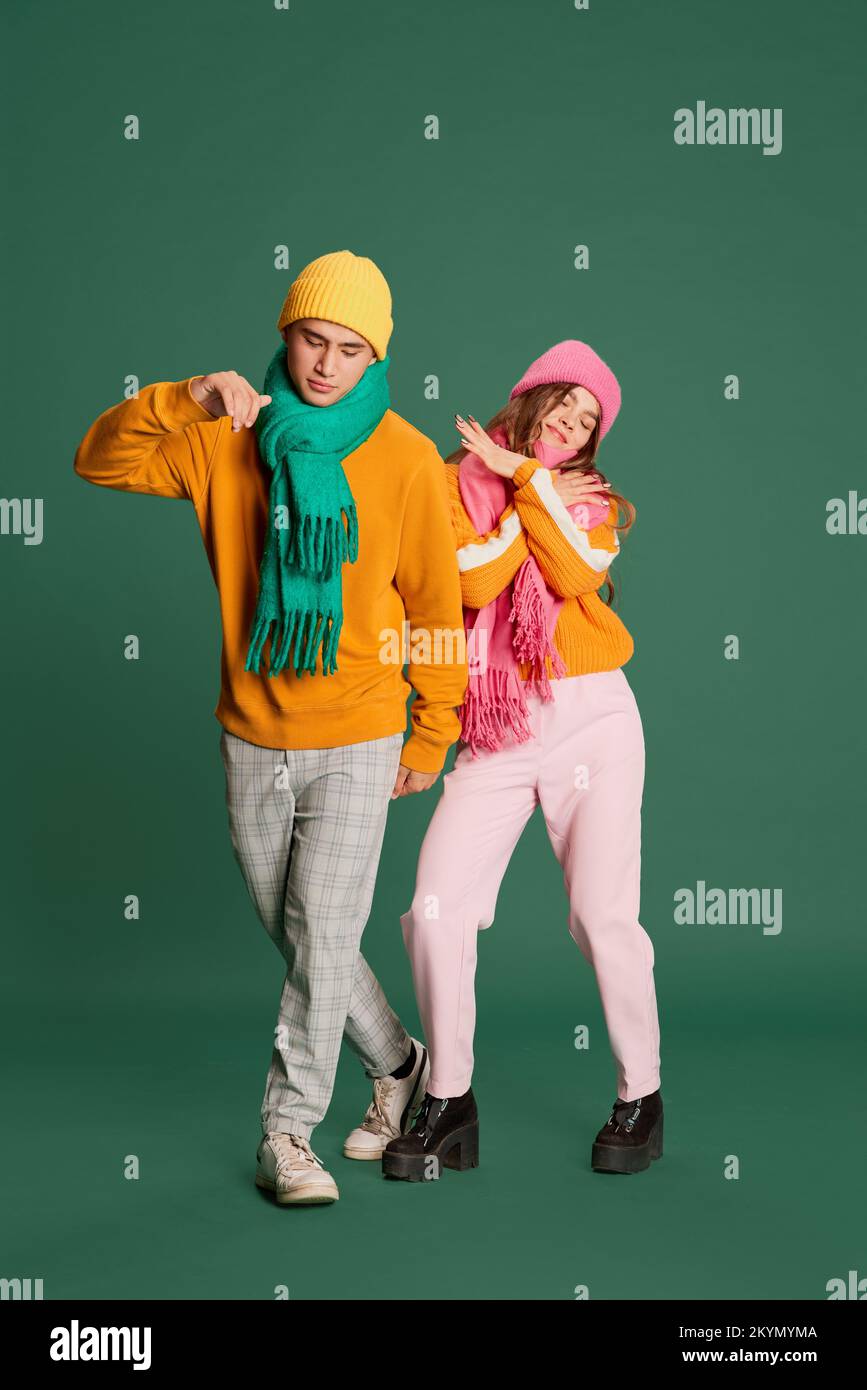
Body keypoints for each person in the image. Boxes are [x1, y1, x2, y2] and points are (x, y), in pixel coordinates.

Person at [73, 249, 468, 1207]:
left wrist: (430, 733)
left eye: (349, 348)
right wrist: (183, 399)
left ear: (376, 356)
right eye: (309, 339)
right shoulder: (225, 438)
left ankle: (288, 1135)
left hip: (364, 728)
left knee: (326, 932)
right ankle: (400, 1061)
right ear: (284, 334)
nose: (325, 365)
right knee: (293, 929)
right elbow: (98, 460)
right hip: (252, 727)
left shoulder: (408, 459)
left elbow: (434, 604)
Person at [383, 340, 663, 1183]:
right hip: (495, 725)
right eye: (566, 409)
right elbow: (465, 582)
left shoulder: (592, 502)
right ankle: (450, 1099)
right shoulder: (448, 482)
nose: (573, 431)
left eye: (587, 425)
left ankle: (640, 1096)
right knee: (433, 908)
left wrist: (532, 484)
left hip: (591, 716)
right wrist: (517, 490)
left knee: (599, 916)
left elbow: (576, 572)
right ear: (531, 399)